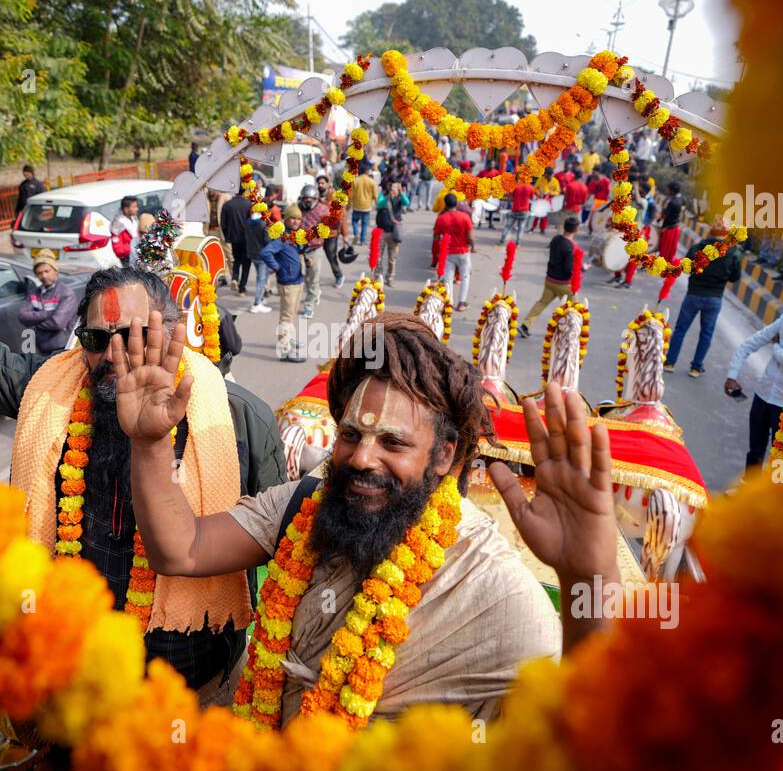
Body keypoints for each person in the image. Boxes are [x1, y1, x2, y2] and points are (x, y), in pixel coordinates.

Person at [0, 123, 287, 702]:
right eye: (100, 340)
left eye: (136, 334)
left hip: (185, 663)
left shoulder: (237, 418)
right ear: (81, 341)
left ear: (174, 333)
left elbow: (273, 537)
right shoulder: (50, 388)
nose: (117, 354)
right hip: (71, 651)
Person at [114, 311, 621, 726]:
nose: (361, 458)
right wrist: (151, 443)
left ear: (444, 456)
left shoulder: (492, 588)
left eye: (394, 442)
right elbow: (180, 548)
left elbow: (587, 724)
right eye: (352, 435)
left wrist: (588, 574)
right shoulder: (309, 504)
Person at [723, 285, 783, 471]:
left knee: (780, 455)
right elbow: (749, 345)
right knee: (755, 448)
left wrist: (777, 347)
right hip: (763, 395)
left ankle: (774, 496)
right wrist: (732, 375)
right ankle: (749, 488)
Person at [663, 224, 744, 377]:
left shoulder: (697, 247)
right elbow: (735, 277)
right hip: (714, 298)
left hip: (693, 294)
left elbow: (686, 266)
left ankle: (670, 362)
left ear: (710, 233)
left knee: (680, 330)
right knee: (706, 334)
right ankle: (696, 367)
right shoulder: (733, 253)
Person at [519, 217, 579, 337]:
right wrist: (582, 269)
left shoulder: (556, 239)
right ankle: (570, 331)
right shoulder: (570, 247)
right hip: (563, 284)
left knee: (542, 303)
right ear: (576, 230)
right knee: (574, 306)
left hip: (550, 279)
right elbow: (568, 269)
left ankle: (526, 324)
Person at [259, 214, 306, 363]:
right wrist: (277, 267)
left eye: (298, 219)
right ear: (286, 220)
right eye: (293, 218)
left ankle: (289, 340)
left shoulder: (293, 237)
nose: (296, 221)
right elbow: (265, 252)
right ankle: (285, 351)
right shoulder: (282, 238)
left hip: (297, 280)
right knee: (286, 317)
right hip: (288, 282)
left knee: (291, 315)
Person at [19, 249, 78, 354]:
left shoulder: (66, 293)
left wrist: (34, 324)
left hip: (62, 347)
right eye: (39, 273)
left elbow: (57, 323)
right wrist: (49, 314)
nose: (44, 276)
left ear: (55, 270)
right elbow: (23, 316)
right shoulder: (34, 293)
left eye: (47, 271)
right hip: (42, 348)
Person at [437, 193, 475, 311]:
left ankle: (449, 303)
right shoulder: (465, 217)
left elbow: (436, 237)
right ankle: (462, 303)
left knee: (448, 278)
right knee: (465, 277)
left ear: (445, 204)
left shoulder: (441, 218)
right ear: (457, 203)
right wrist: (472, 247)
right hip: (463, 251)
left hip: (448, 252)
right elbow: (470, 237)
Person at [296, 185, 327, 316]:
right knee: (304, 278)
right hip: (298, 247)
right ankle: (315, 292)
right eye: (305, 199)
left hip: (314, 248)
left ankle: (309, 307)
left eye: (310, 200)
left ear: (316, 199)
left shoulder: (323, 210)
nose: (307, 202)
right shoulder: (296, 208)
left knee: (313, 276)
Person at [373, 181, 409, 287]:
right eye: (393, 188)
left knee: (392, 258)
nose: (394, 191)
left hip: (394, 232)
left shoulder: (400, 198)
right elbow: (379, 204)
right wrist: (388, 196)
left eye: (396, 189)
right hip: (381, 232)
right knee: (378, 257)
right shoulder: (383, 196)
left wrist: (401, 193)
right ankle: (378, 277)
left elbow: (407, 202)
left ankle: (390, 278)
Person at [313, 174, 345, 289]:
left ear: (328, 184)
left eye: (323, 183)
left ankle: (339, 275)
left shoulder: (334, 198)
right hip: (317, 233)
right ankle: (314, 281)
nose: (320, 185)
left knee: (331, 255)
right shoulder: (314, 196)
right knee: (314, 257)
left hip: (332, 233)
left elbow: (343, 217)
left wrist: (345, 235)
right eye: (319, 183)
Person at [220, 191, 251, 295]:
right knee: (246, 263)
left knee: (236, 260)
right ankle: (242, 287)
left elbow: (223, 224)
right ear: (244, 192)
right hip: (247, 238)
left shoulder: (227, 205)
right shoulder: (249, 204)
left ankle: (235, 278)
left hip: (233, 238)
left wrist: (227, 236)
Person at [348, 164, 377, 246]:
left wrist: (349, 205)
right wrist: (377, 205)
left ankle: (356, 233)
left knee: (354, 221)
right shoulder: (371, 181)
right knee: (364, 224)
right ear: (367, 172)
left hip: (357, 206)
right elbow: (375, 196)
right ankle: (363, 241)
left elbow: (351, 195)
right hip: (367, 206)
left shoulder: (355, 181)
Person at [501, 177, 535, 245]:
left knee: (508, 225)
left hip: (515, 210)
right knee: (521, 227)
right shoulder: (531, 187)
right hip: (525, 211)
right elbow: (532, 198)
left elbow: (511, 198)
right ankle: (518, 242)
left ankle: (502, 240)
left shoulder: (515, 186)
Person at [657, 182, 685, 263]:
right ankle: (667, 261)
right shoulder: (682, 199)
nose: (667, 191)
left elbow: (665, 214)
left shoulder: (672, 202)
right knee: (671, 248)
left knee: (664, 247)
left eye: (668, 189)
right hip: (676, 226)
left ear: (672, 191)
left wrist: (659, 220)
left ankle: (661, 263)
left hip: (668, 227)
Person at [113, 196, 139, 266]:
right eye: (134, 207)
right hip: (127, 260)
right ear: (126, 209)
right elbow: (118, 249)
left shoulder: (134, 219)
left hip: (138, 254)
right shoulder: (118, 225)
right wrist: (134, 246)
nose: (137, 209)